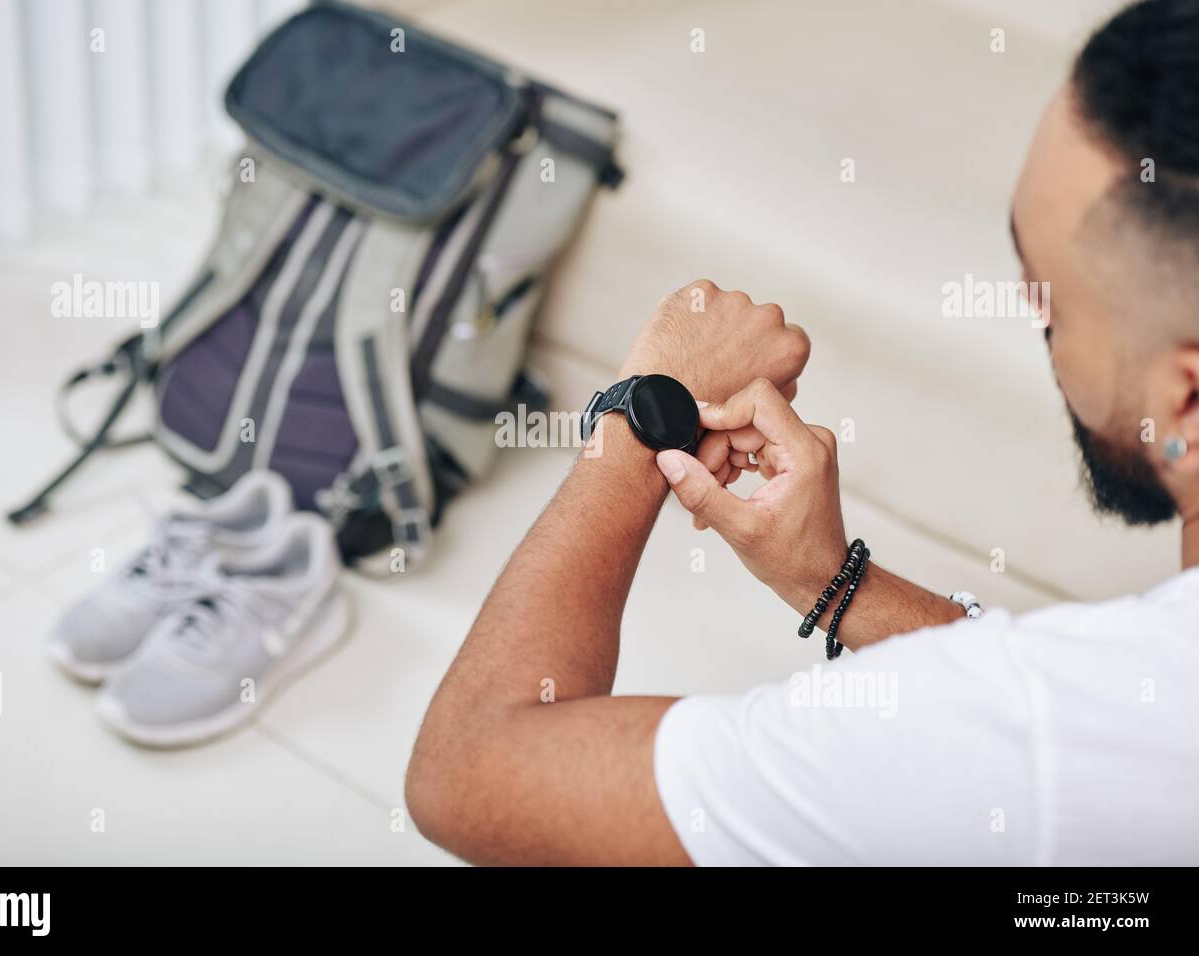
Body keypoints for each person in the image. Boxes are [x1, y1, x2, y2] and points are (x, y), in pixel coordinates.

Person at [405, 0, 1199, 865]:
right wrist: (833, 583)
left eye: (1051, 294)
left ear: (1186, 398)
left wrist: (642, 413)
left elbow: (468, 770)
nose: (1026, 308)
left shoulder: (1030, 743)